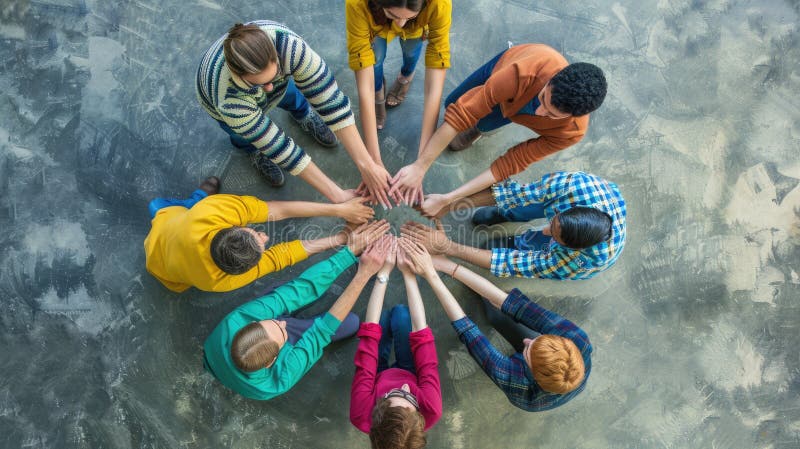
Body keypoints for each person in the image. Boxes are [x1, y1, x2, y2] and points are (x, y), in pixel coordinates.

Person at [197, 20, 393, 208]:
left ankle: (303, 114)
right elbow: (279, 148)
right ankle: (254, 151)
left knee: (289, 95)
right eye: (259, 84)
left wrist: (368, 165)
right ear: (238, 76)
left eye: (273, 76)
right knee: (243, 136)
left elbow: (331, 101)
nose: (269, 88)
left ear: (276, 55)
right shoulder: (228, 100)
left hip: (265, 80)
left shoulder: (290, 46)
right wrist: (337, 195)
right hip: (222, 105)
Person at [389, 43, 607, 208]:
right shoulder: (523, 71)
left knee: (485, 122)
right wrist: (420, 166)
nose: (539, 113)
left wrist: (449, 199)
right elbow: (461, 114)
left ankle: (479, 130)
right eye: (542, 100)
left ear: (577, 116)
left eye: (551, 115)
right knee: (453, 104)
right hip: (506, 68)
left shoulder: (572, 132)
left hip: (514, 99)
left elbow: (513, 162)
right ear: (552, 79)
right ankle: (489, 113)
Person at [203, 230, 393, 400]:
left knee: (285, 294)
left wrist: (348, 253)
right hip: (262, 349)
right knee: (350, 324)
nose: (282, 324)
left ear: (248, 326)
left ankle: (277, 326)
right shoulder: (281, 378)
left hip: (222, 356)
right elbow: (323, 330)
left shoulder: (238, 320)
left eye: (272, 322)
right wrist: (364, 274)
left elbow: (299, 291)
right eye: (282, 332)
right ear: (272, 361)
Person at [420, 248, 592, 412]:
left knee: (495, 318)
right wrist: (447, 265)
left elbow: (468, 332)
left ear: (530, 372)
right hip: (547, 370)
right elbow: (515, 305)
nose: (527, 340)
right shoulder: (577, 340)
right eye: (537, 340)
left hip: (529, 387)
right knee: (499, 310)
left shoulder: (519, 386)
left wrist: (431, 274)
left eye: (527, 351)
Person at [143, 176, 379, 292]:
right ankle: (194, 198)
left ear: (231, 227)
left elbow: (280, 210)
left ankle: (193, 198)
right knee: (166, 207)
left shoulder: (211, 212)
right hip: (170, 235)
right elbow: (281, 256)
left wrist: (339, 209)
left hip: (163, 252)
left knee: (162, 208)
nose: (265, 237)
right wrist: (339, 239)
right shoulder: (218, 281)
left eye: (256, 234)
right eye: (262, 241)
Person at [401, 171, 626, 280]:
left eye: (556, 237)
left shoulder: (581, 261)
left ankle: (518, 242)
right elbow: (517, 193)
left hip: (576, 252)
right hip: (562, 200)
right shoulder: (575, 185)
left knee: (534, 245)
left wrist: (449, 247)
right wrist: (449, 204)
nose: (545, 229)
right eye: (554, 221)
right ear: (570, 208)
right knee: (523, 204)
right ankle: (504, 213)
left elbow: (514, 264)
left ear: (571, 249)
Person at [345, 0, 451, 205]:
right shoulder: (357, 4)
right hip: (376, 25)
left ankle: (406, 77)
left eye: (409, 16)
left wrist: (421, 163)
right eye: (393, 15)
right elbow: (361, 63)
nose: (400, 24)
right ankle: (380, 94)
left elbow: (434, 84)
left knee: (412, 50)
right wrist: (373, 162)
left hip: (417, 28)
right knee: (375, 57)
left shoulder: (439, 4)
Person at [350, 237, 442, 448]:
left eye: (394, 394)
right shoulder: (432, 408)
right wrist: (408, 274)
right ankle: (397, 318)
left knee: (380, 319)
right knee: (401, 315)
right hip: (412, 370)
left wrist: (383, 273)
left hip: (376, 373)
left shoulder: (360, 413)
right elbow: (422, 334)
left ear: (377, 411)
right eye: (410, 397)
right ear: (419, 415)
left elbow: (369, 336)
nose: (404, 387)